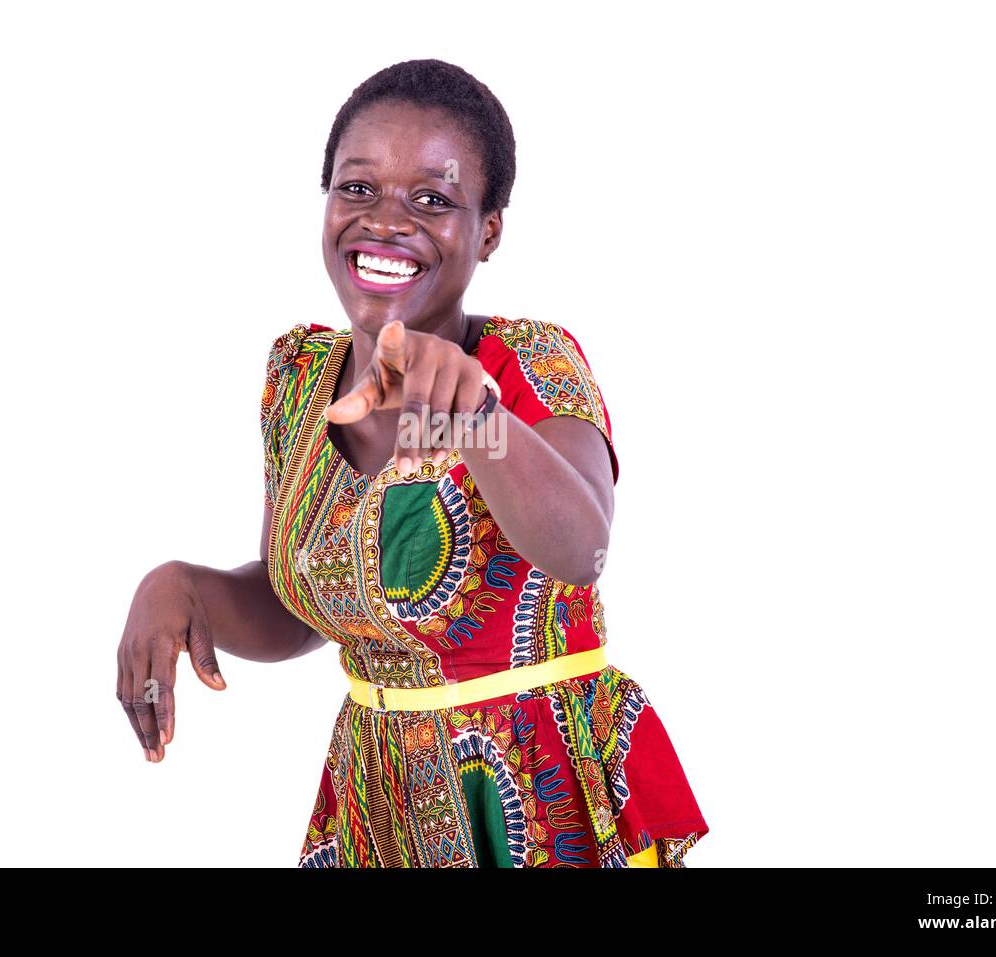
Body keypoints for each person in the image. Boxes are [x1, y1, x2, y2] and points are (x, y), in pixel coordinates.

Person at [116, 58, 709, 868]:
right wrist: (183, 589)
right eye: (357, 188)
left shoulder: (526, 365)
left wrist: (476, 418)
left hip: (535, 802)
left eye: (433, 199)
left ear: (488, 231)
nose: (386, 221)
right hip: (374, 804)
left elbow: (582, 549)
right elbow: (303, 609)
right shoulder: (297, 379)